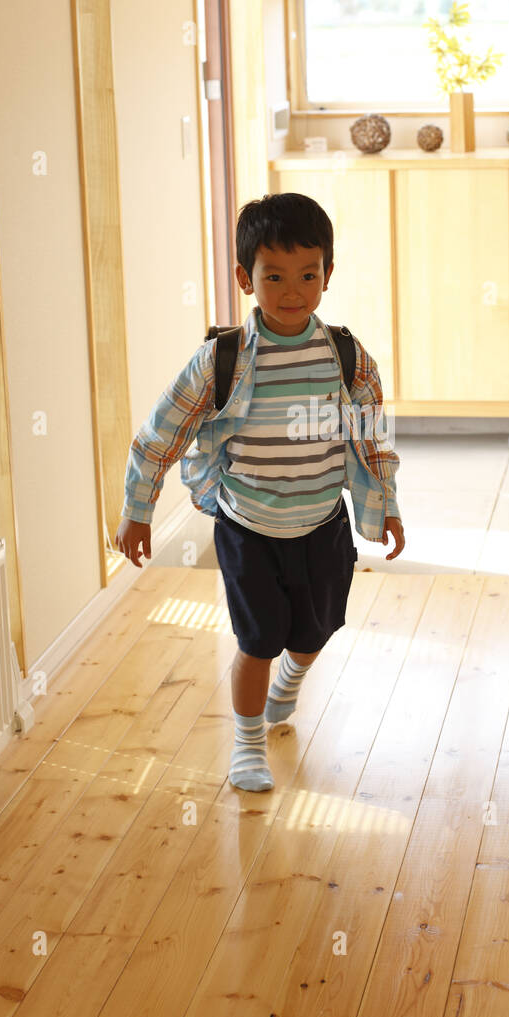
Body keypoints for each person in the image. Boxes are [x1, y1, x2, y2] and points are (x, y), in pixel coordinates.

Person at [115, 192, 404, 792]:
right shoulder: (222, 360)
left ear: (327, 273)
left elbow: (374, 438)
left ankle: (290, 684)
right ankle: (247, 744)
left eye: (308, 274)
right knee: (258, 638)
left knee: (316, 631)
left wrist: (390, 508)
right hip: (247, 527)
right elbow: (158, 436)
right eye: (275, 276)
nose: (293, 290)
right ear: (247, 278)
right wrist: (136, 511)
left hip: (322, 523)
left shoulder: (346, 357)